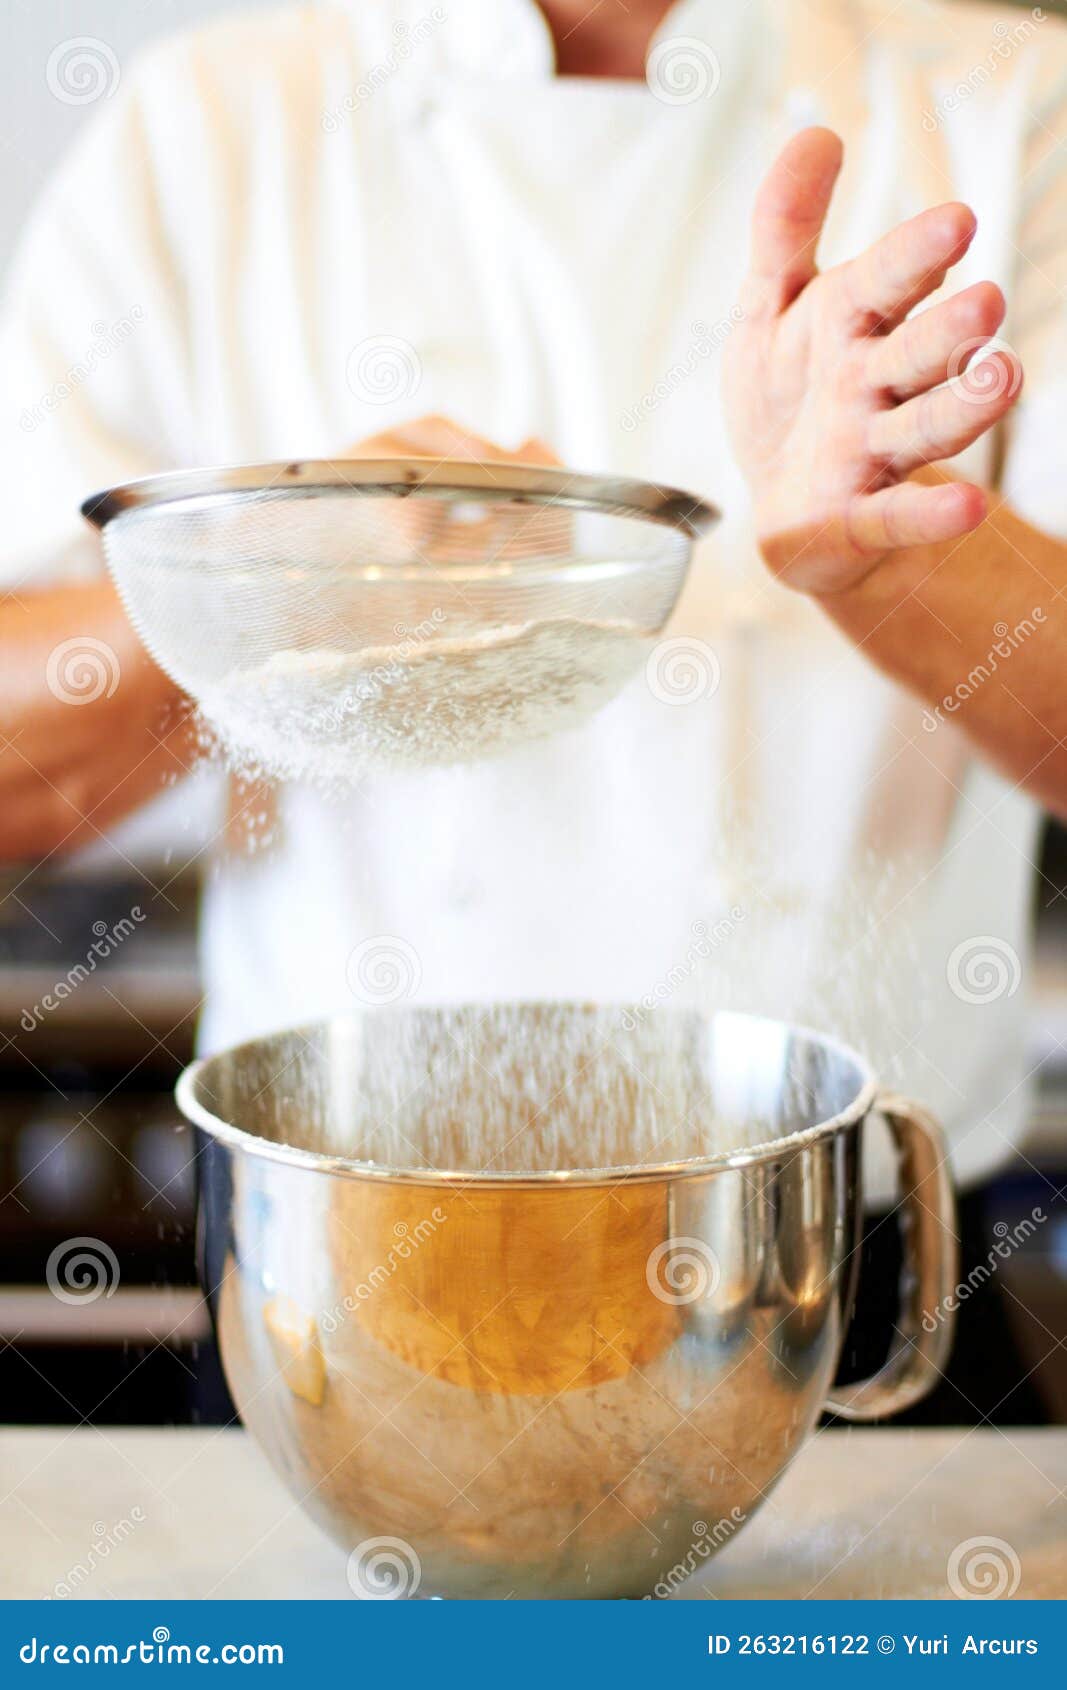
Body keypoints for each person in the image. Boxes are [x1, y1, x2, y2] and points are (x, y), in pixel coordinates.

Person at [1, 0, 1065, 1418]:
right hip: (336, 1280)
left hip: (846, 1273)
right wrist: (269, 585)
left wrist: (893, 562)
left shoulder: (1011, 108)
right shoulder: (206, 125)